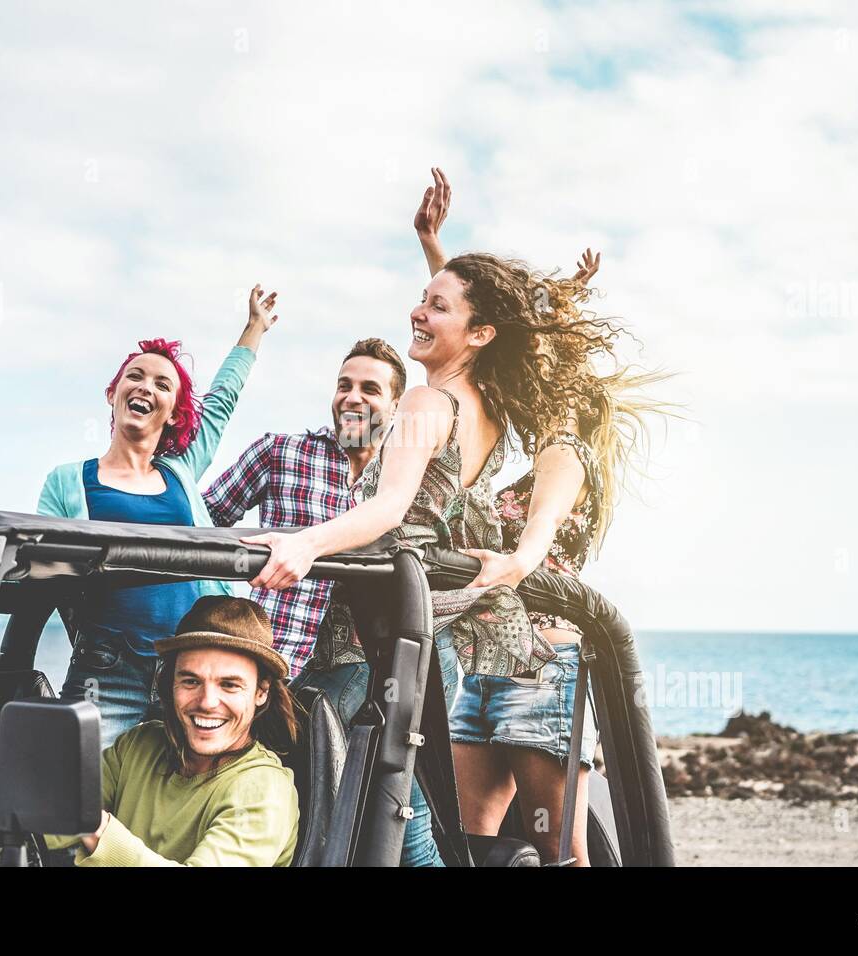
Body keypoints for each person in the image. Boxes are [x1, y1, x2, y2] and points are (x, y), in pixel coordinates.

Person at [242, 171, 614, 865]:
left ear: (478, 332)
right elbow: (472, 322)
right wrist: (433, 249)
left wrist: (305, 543)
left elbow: (388, 509)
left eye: (435, 306)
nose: (417, 311)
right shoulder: (486, 411)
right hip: (426, 637)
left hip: (373, 636)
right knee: (403, 812)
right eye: (421, 299)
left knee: (291, 766)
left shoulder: (424, 403)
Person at [419, 182, 672, 863]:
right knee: (466, 843)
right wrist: (435, 250)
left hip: (543, 662)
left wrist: (520, 560)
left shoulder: (567, 454)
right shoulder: (525, 455)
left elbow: (542, 524)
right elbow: (475, 326)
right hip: (486, 657)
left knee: (559, 848)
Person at [36, 287, 280, 747]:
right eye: (136, 376)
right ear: (113, 393)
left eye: (162, 384)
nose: (146, 387)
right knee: (78, 779)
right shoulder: (68, 481)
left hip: (193, 668)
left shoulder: (180, 471)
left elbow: (222, 402)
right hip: (107, 670)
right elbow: (42, 573)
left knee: (188, 784)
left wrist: (254, 329)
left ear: (173, 413)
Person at [0, 595, 300, 867]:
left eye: (229, 685)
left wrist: (99, 830)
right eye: (190, 681)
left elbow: (87, 826)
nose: (207, 701)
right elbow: (50, 827)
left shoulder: (263, 790)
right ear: (169, 683)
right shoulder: (139, 746)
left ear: (261, 692)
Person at [202, 337, 408, 676]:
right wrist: (222, 610)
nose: (352, 397)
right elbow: (202, 520)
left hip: (366, 677)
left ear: (396, 405)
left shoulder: (403, 483)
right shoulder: (280, 452)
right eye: (344, 386)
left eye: (370, 389)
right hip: (274, 662)